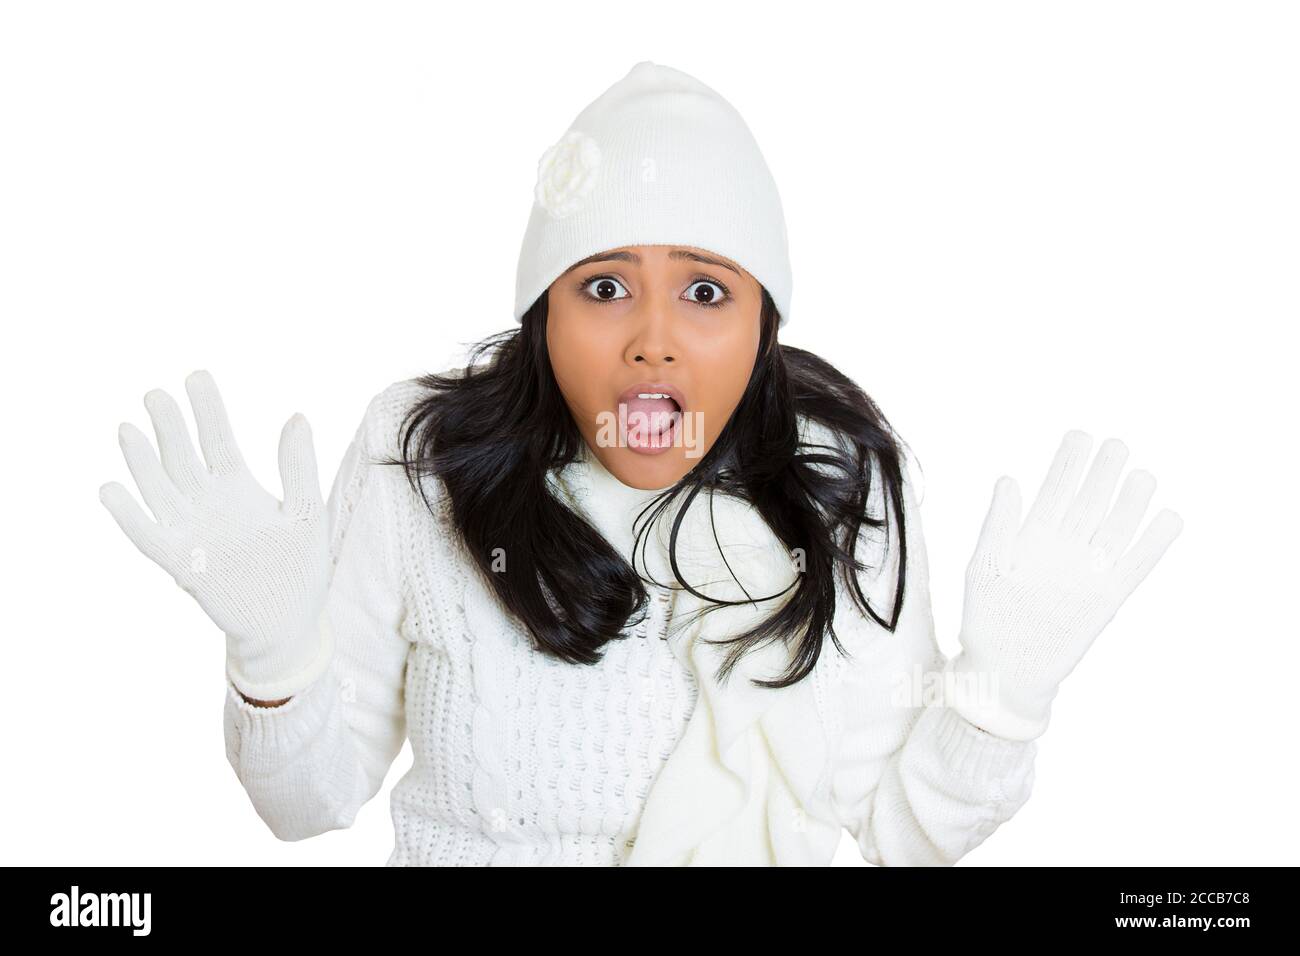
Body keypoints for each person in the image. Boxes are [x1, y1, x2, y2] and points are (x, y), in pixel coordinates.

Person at [99, 61, 1183, 866]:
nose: (652, 340)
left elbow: (900, 831)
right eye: (604, 285)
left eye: (706, 290)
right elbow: (306, 803)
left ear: (762, 321)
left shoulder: (835, 483)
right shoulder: (419, 463)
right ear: (541, 311)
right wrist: (274, 653)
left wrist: (1003, 695)